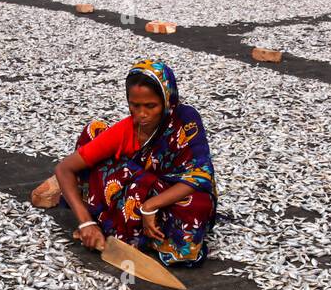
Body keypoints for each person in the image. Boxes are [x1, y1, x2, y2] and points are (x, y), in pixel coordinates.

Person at [53, 59, 217, 266]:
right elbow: (64, 168)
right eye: (135, 105)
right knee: (106, 154)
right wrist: (86, 222)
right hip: (131, 195)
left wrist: (150, 206)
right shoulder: (123, 131)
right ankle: (109, 220)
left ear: (168, 101)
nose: (142, 114)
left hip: (167, 195)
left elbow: (201, 174)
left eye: (151, 106)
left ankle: (138, 232)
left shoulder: (185, 120)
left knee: (198, 205)